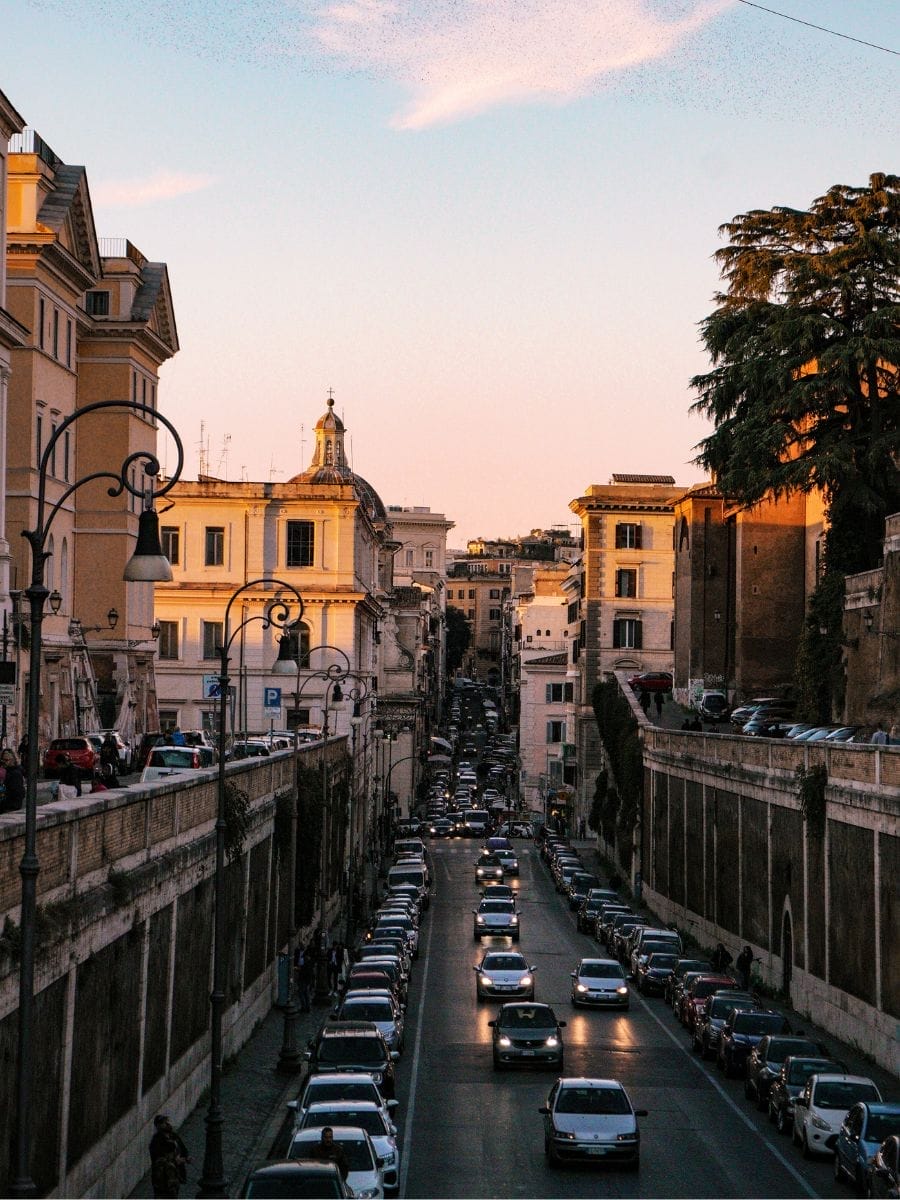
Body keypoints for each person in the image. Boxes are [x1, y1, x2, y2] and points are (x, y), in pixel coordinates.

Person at [149, 1114, 189, 1198]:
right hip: (162, 1180)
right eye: (163, 1123)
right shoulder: (156, 1141)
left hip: (175, 1177)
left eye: (167, 1121)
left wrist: (186, 1158)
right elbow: (158, 1160)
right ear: (158, 1126)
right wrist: (176, 1160)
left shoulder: (174, 1136)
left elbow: (183, 1149)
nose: (167, 1124)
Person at [0, 749, 24, 814]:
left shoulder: (15, 773)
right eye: (2, 760)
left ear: (12, 760)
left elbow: (17, 793)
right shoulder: (7, 771)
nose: (4, 762)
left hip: (10, 807)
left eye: (6, 760)